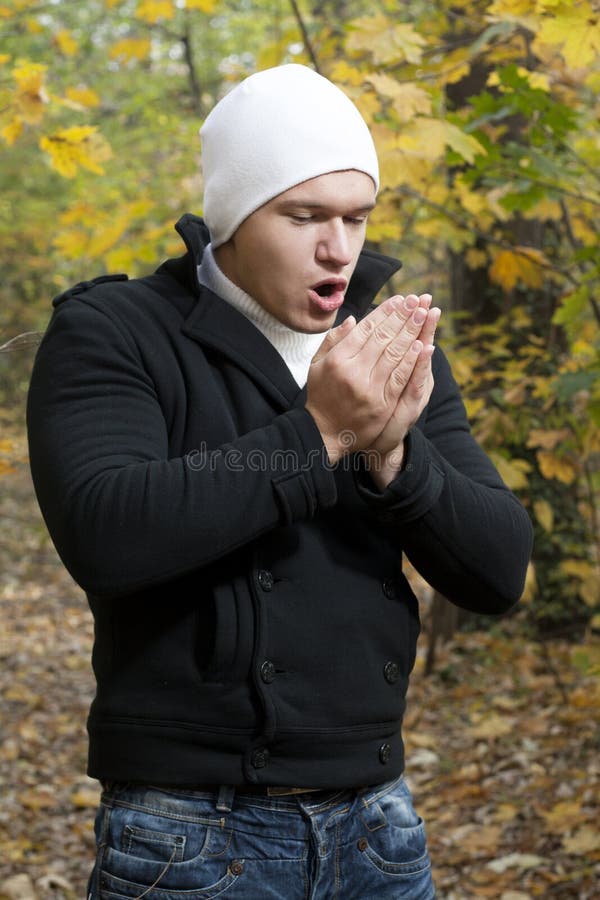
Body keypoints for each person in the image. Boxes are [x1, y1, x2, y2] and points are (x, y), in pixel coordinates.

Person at [27, 64, 533, 899]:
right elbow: (106, 532)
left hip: (381, 826)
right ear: (231, 215)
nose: (339, 247)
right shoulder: (114, 330)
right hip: (186, 834)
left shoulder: (391, 349)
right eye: (304, 217)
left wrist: (396, 459)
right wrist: (324, 432)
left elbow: (497, 569)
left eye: (356, 217)